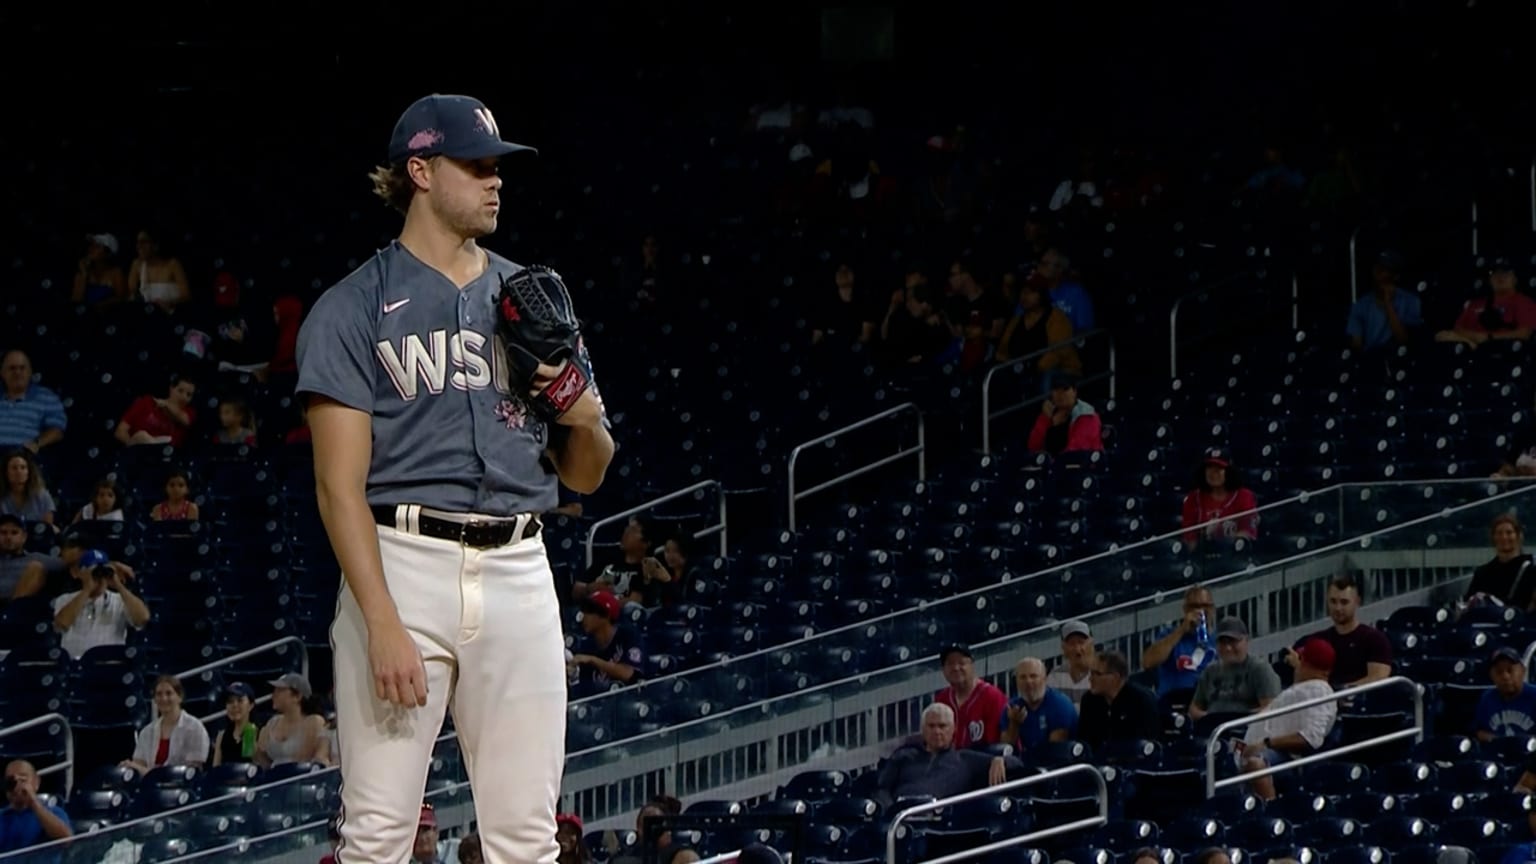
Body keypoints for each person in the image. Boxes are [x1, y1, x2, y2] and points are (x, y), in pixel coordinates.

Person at [295, 93, 613, 864]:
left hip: (520, 564)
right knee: (378, 835)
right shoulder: (353, 307)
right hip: (404, 564)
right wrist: (381, 620)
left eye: (497, 167)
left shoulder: (532, 295)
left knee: (527, 838)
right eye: (475, 166)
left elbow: (587, 474)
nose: (495, 181)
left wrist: (585, 416)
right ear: (421, 171)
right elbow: (338, 489)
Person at [0, 759, 72, 854]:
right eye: (11, 781)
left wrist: (33, 802)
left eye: (23, 779)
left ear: (36, 782)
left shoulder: (54, 812)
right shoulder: (2, 816)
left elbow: (66, 840)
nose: (17, 785)